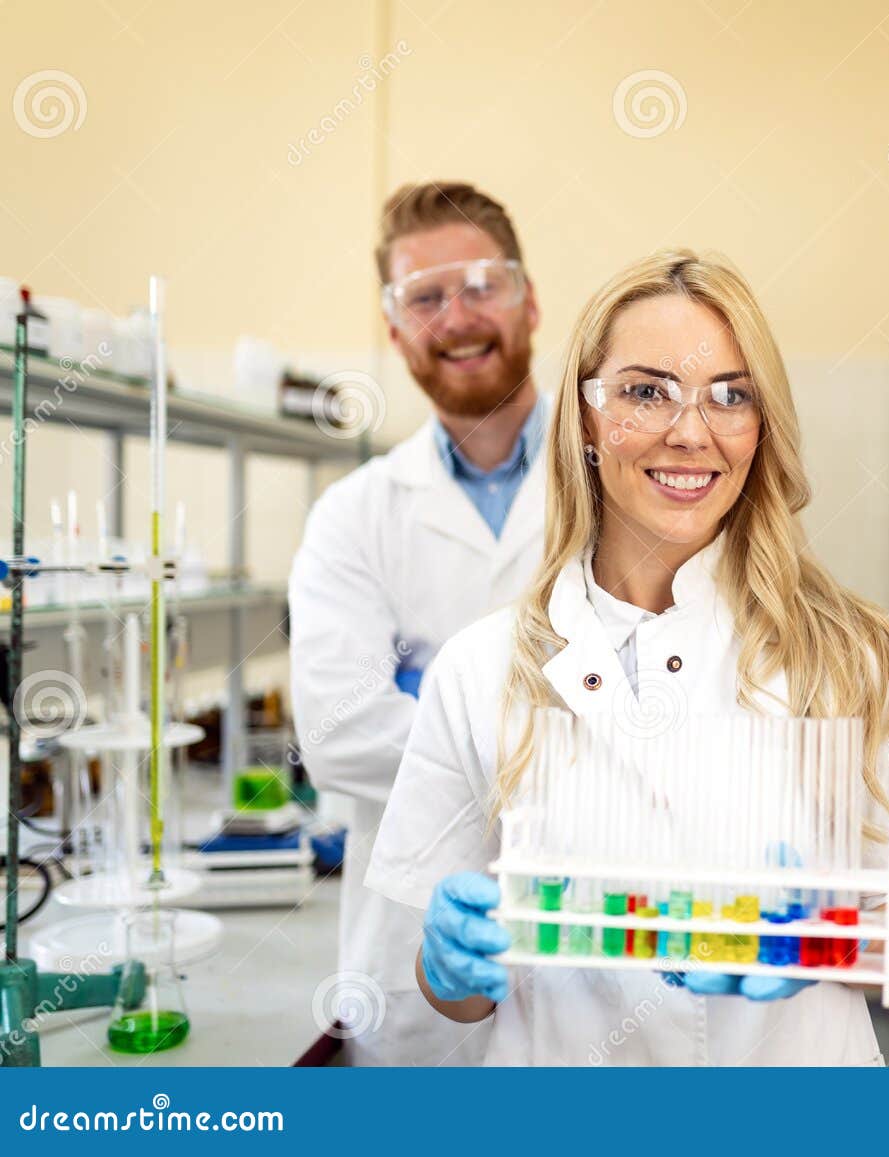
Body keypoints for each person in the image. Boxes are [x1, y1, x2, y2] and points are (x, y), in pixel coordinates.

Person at [362, 249, 889, 1065]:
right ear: (587, 420)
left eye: (730, 395)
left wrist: (823, 938)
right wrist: (450, 956)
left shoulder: (857, 656)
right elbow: (453, 992)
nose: (692, 432)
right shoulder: (481, 669)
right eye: (646, 391)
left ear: (761, 426)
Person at [289, 182, 549, 1065]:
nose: (457, 316)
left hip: (596, 971)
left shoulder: (626, 482)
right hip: (410, 979)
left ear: (531, 299)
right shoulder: (354, 515)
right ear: (395, 330)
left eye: (482, 283)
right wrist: (560, 730)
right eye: (424, 297)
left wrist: (431, 694)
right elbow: (334, 735)